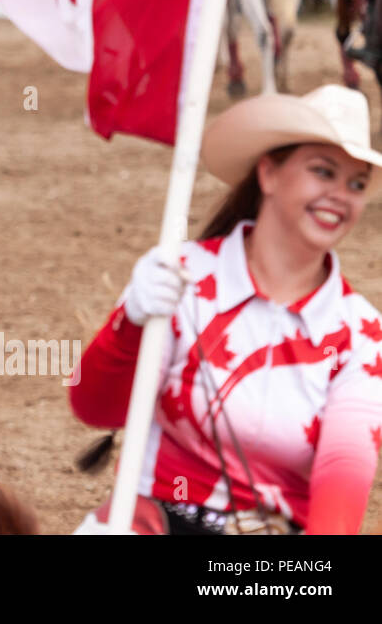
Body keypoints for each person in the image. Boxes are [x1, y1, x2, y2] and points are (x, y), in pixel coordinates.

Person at [69, 85, 382, 535]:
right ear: (268, 174)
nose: (340, 194)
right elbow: (95, 408)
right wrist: (131, 322)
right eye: (323, 172)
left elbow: (344, 476)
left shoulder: (363, 333)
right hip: (153, 519)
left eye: (356, 183)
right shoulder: (181, 277)